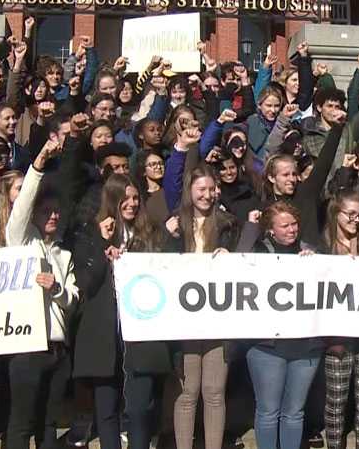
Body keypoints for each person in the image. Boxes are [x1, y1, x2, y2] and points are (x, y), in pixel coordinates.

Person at [72, 173, 168, 449]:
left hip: (141, 332)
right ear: (112, 199)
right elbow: (87, 285)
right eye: (125, 198)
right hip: (105, 333)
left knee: (139, 407)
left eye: (136, 197)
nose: (132, 203)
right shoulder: (90, 233)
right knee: (106, 408)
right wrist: (103, 245)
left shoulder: (150, 233)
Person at [4, 137, 79, 449]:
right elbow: (20, 209)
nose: (53, 216)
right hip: (27, 350)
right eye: (46, 211)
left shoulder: (64, 254)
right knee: (22, 424)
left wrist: (58, 289)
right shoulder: (21, 242)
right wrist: (39, 162)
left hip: (58, 352)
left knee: (48, 424)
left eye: (56, 212)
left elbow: (73, 300)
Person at [236, 201, 321, 449]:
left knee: (295, 412)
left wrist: (315, 264)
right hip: (267, 346)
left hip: (305, 345)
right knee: (268, 411)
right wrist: (251, 228)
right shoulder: (259, 252)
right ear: (271, 230)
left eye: (294, 224)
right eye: (284, 226)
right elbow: (238, 264)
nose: (292, 229)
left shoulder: (309, 251)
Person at [165, 165, 239, 449]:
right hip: (183, 319)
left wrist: (232, 254)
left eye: (211, 189)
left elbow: (245, 261)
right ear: (190, 192)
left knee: (214, 391)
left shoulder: (228, 224)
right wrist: (166, 237)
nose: (207, 195)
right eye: (201, 190)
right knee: (187, 391)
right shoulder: (176, 224)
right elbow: (158, 261)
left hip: (218, 319)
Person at [319, 188, 359, 449]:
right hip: (338, 337)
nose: (356, 220)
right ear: (336, 213)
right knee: (336, 402)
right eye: (350, 215)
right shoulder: (324, 244)